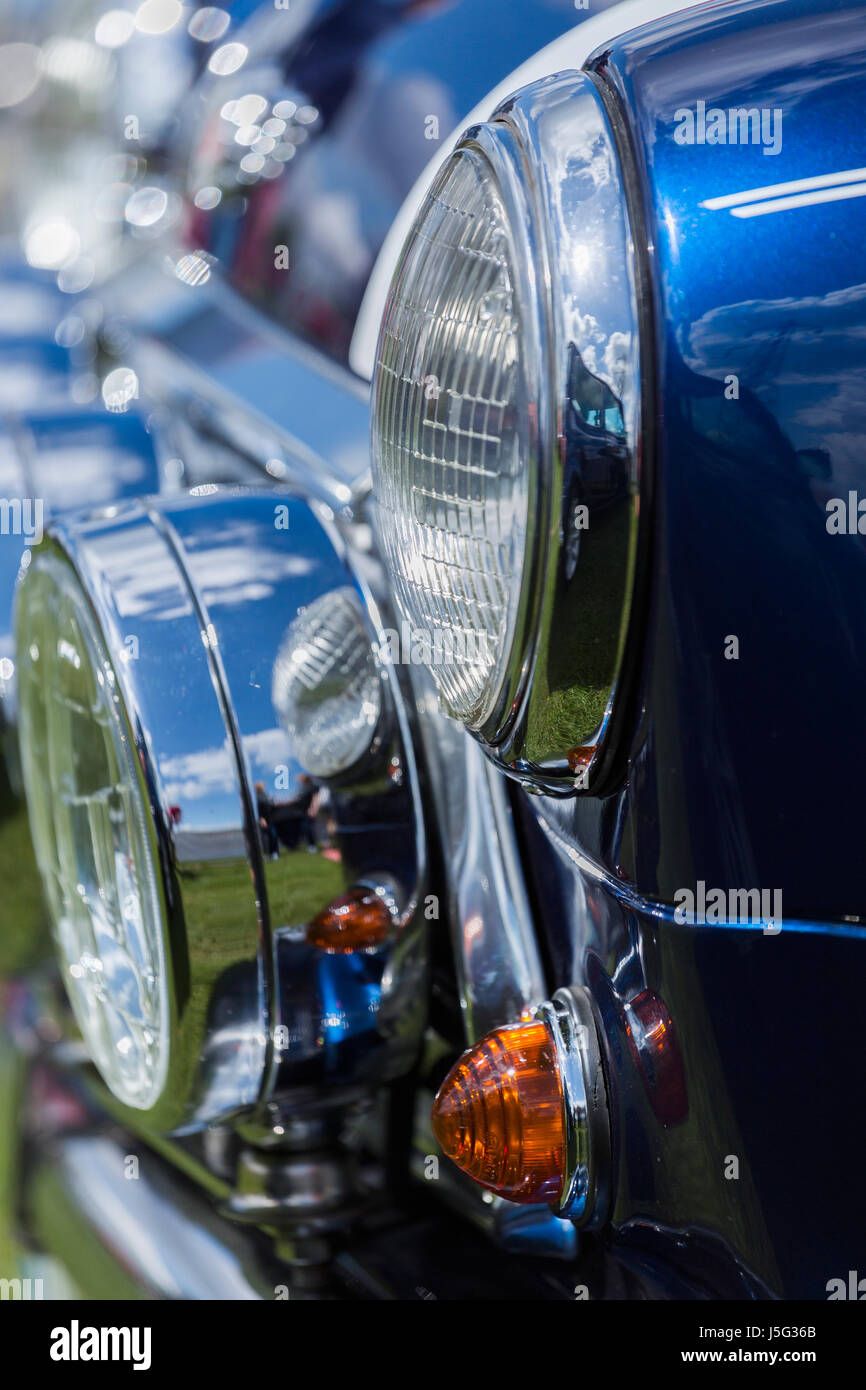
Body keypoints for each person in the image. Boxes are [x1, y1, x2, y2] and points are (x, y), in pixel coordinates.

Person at [255, 781, 280, 860]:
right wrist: (261, 819)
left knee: (273, 836)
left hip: (271, 819)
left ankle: (274, 853)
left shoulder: (266, 795)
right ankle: (268, 853)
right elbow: (258, 809)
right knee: (266, 838)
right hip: (264, 820)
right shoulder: (257, 797)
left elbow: (272, 805)